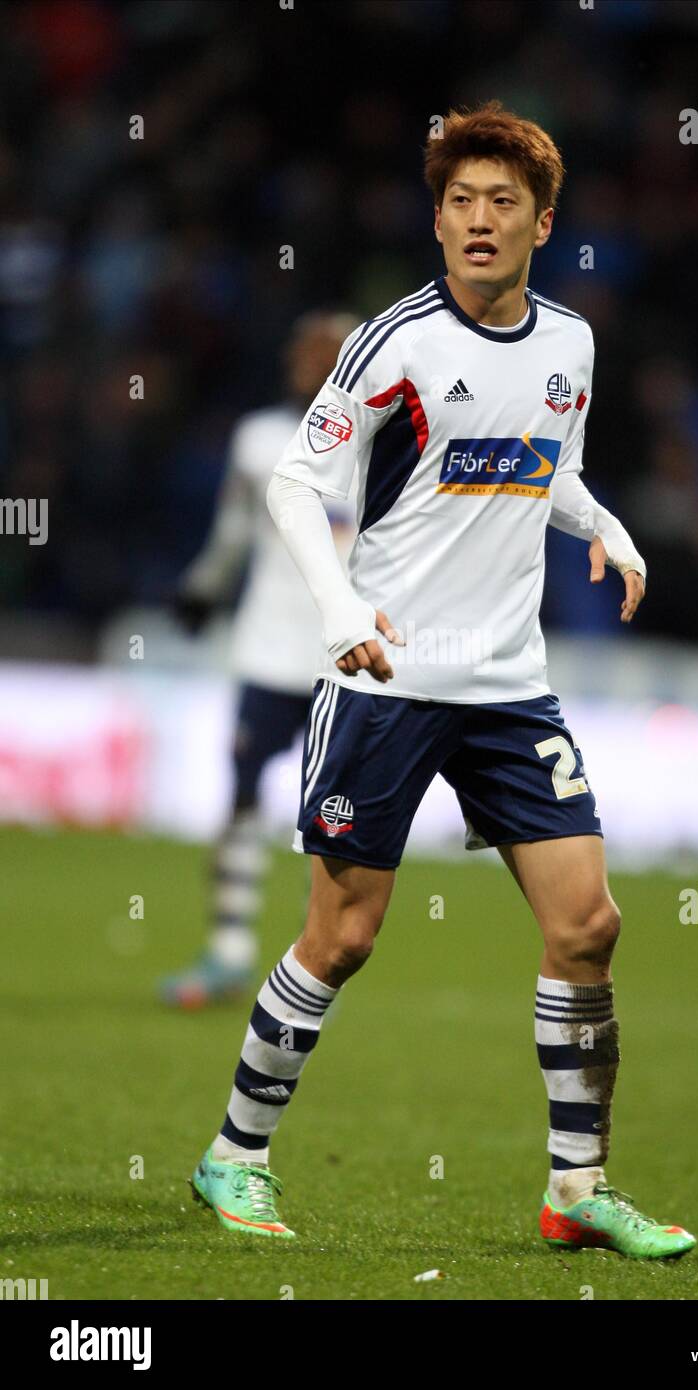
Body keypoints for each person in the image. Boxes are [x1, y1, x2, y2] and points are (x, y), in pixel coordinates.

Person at [189, 101, 695, 1260]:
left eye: (501, 203)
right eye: (460, 201)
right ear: (437, 219)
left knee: (589, 924)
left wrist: (604, 525)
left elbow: (544, 467)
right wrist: (338, 612)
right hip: (387, 680)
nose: (478, 220)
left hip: (511, 685)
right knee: (346, 934)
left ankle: (577, 1187)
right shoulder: (397, 341)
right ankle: (236, 1155)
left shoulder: (570, 343)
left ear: (541, 223)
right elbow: (291, 482)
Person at [160, 313, 358, 1007]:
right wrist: (202, 588)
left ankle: (320, 960)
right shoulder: (258, 440)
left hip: (352, 658)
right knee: (244, 789)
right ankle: (230, 949)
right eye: (305, 351)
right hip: (271, 647)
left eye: (329, 353)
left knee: (335, 814)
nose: (313, 364)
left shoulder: (387, 447)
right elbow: (235, 530)